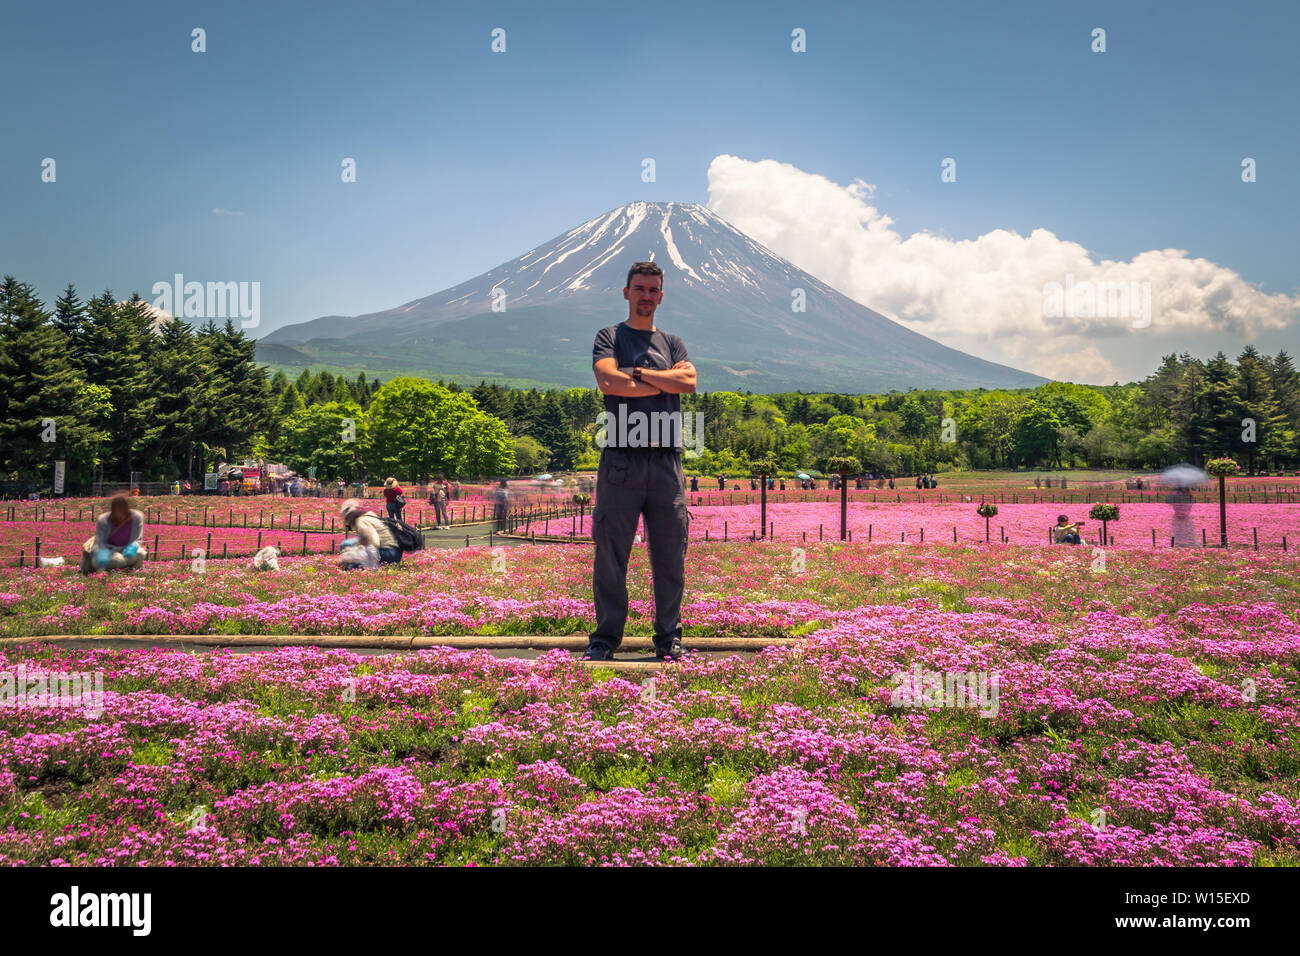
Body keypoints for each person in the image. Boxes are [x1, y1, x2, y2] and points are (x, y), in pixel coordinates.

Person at [584, 260, 695, 663]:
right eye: (640, 288)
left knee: (670, 554)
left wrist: (637, 375)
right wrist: (662, 378)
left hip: (667, 462)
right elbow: (608, 382)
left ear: (660, 296)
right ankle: (605, 638)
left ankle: (668, 636)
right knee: (610, 554)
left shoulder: (675, 342)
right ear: (626, 292)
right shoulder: (608, 336)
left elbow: (690, 383)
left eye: (653, 290)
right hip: (621, 460)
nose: (646, 295)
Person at [80, 494, 147, 574]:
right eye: (117, 508)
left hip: (125, 552)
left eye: (122, 507)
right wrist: (102, 553)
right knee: (117, 560)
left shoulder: (137, 517)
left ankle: (131, 573)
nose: (120, 511)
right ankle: (113, 572)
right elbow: (100, 542)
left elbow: (137, 539)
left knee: (141, 553)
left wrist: (133, 547)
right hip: (108, 552)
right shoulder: (103, 519)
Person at [340, 499, 402, 565]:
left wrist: (357, 552)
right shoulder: (369, 515)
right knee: (348, 545)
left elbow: (374, 542)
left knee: (349, 558)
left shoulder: (361, 521)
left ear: (350, 516)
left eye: (347, 519)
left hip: (388, 553)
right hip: (395, 552)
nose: (348, 522)